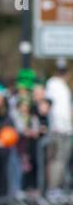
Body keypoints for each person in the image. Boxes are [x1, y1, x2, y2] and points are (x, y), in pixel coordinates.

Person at [44, 59, 72, 194]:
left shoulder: (63, 86)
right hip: (58, 129)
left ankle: (59, 188)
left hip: (66, 129)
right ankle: (53, 189)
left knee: (62, 160)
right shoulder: (53, 84)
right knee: (58, 160)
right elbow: (51, 107)